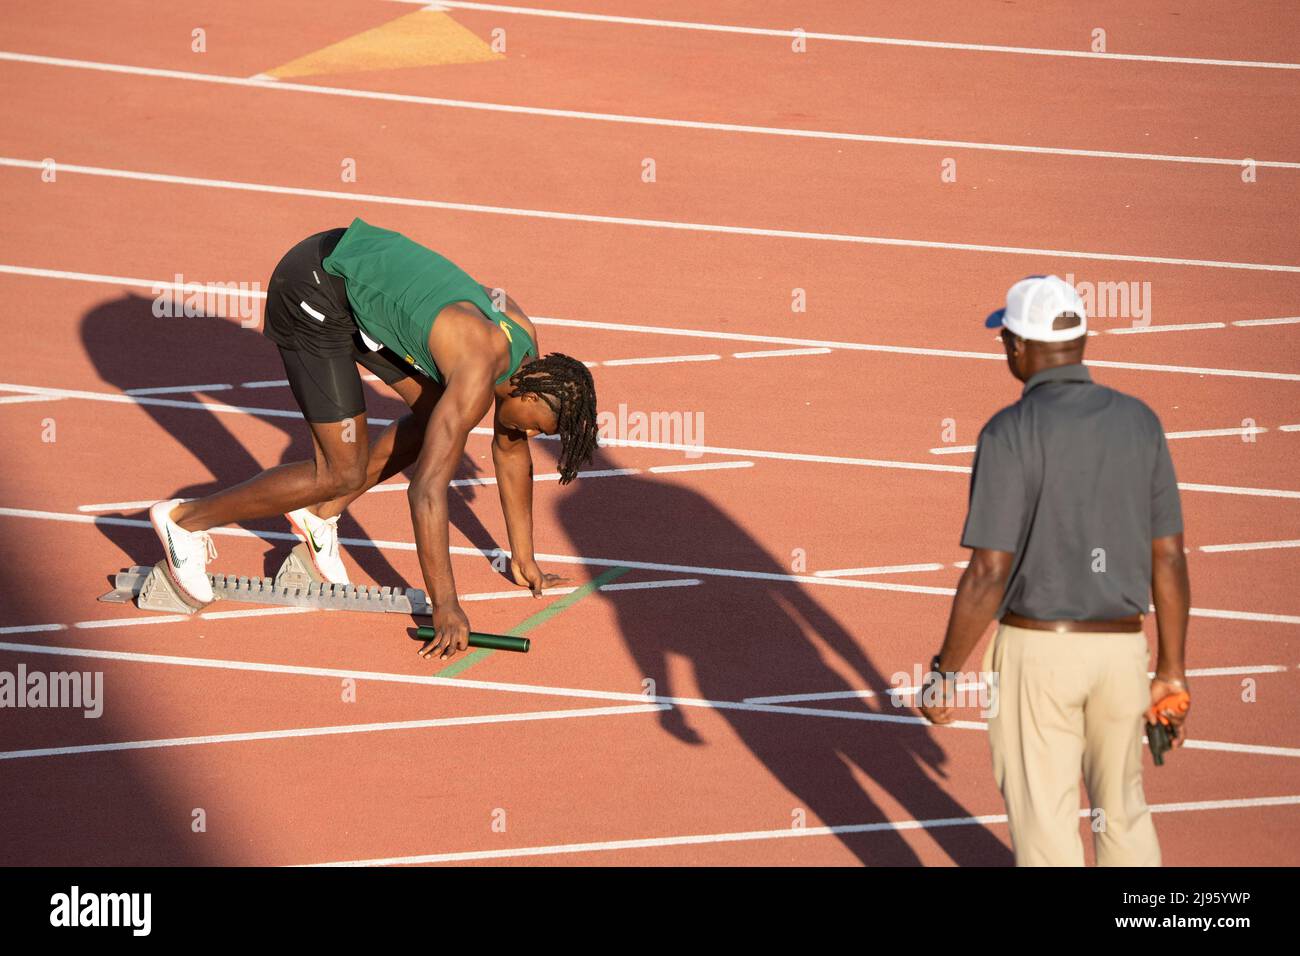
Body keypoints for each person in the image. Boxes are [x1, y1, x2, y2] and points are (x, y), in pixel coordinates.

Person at [148, 218, 599, 661]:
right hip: (314, 286)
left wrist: (524, 557)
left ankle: (317, 515)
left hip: (357, 276)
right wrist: (445, 605)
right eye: (541, 426)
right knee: (340, 470)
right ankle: (184, 521)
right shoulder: (478, 371)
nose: (531, 434)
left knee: (435, 419)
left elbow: (510, 450)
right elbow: (426, 492)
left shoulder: (522, 348)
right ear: (536, 392)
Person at [920, 274, 1190, 866]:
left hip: (1039, 653)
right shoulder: (1140, 422)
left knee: (1046, 824)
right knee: (1123, 811)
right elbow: (1168, 556)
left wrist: (945, 671)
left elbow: (989, 571)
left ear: (1020, 346)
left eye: (1005, 340)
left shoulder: (1009, 432)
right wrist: (1170, 671)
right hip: (1123, 652)